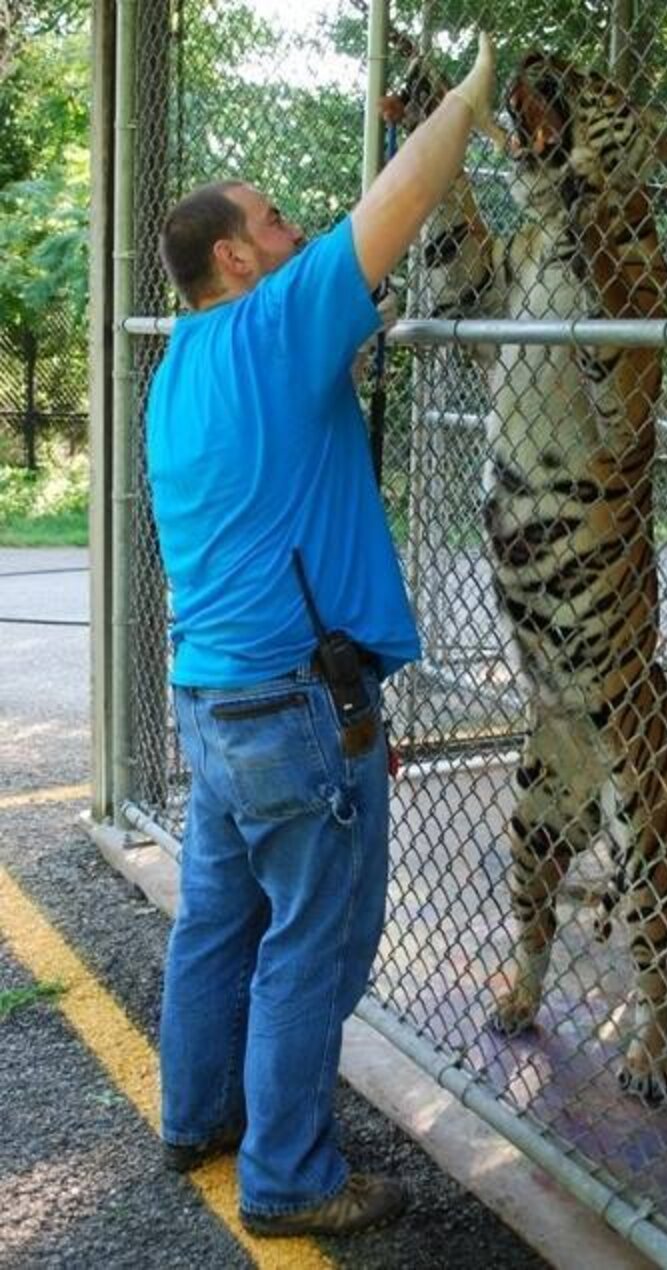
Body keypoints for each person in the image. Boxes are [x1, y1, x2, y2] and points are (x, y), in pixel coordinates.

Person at [145, 33, 496, 1239]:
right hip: (300, 708)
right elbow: (397, 201)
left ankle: (195, 1115)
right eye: (277, 218)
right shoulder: (274, 322)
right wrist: (466, 93)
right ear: (238, 257)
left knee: (216, 919)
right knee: (313, 946)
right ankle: (291, 1178)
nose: (297, 229)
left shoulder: (180, 361)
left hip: (214, 695)